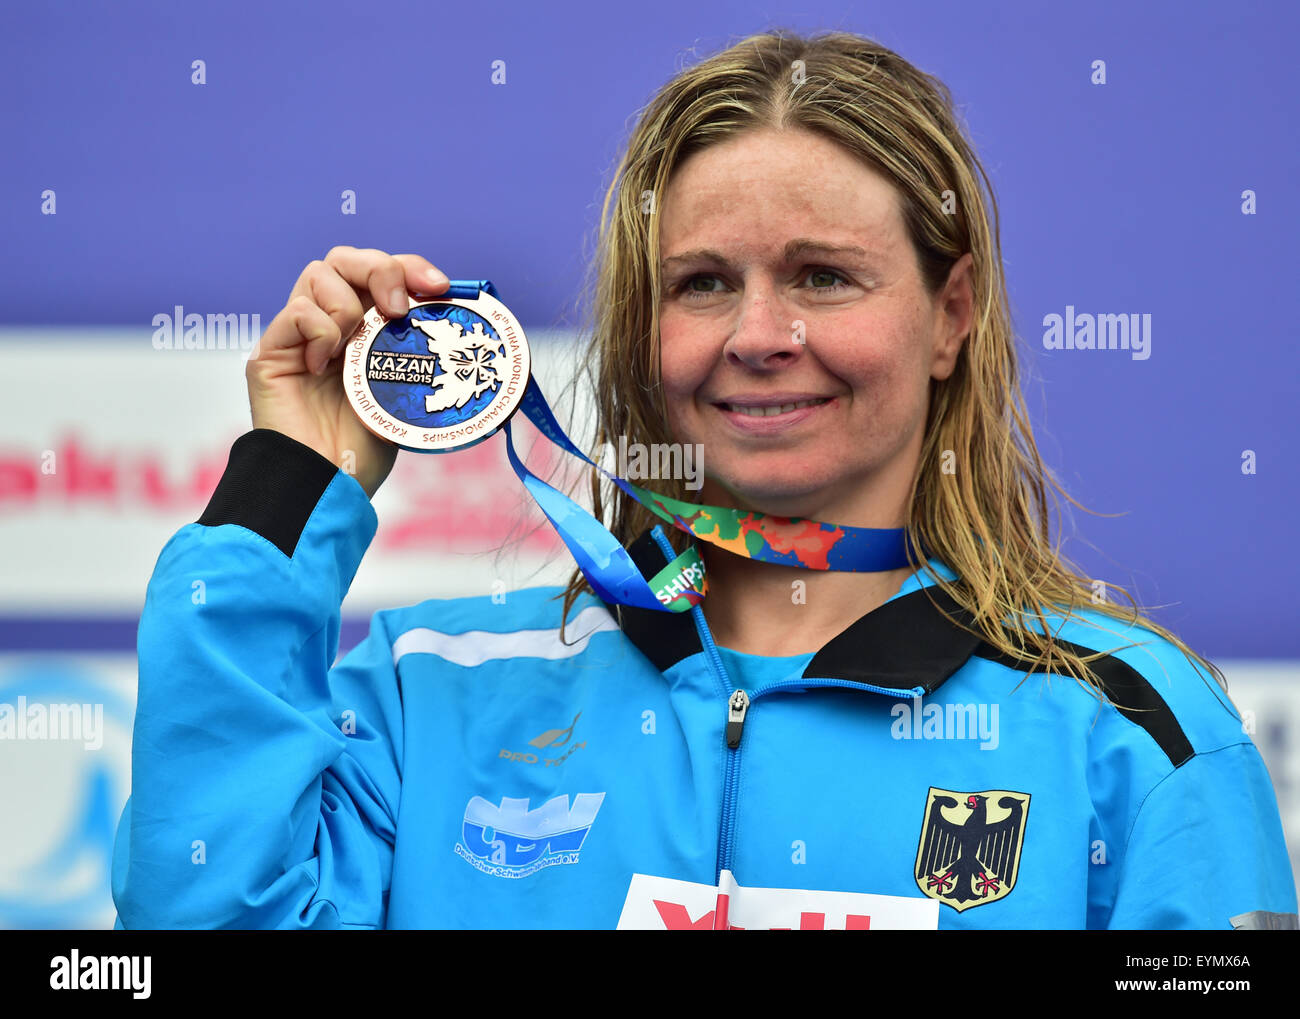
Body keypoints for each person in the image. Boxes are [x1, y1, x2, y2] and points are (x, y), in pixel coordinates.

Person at [110, 29, 1296, 930]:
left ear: (951, 314)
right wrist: (286, 479)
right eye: (702, 283)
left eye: (825, 275)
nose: (760, 333)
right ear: (642, 330)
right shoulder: (435, 700)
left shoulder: (1127, 729)